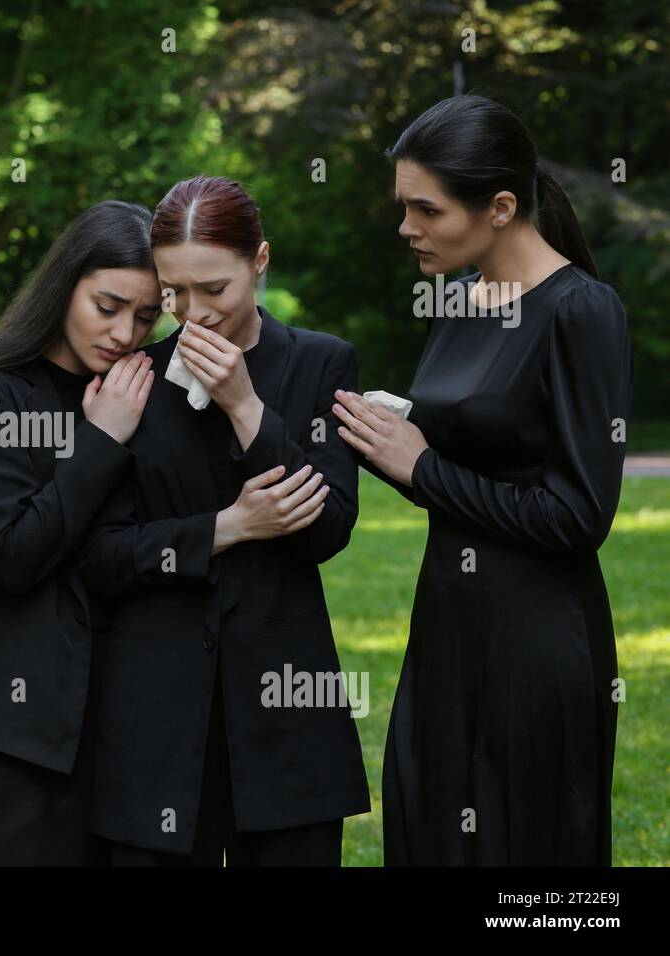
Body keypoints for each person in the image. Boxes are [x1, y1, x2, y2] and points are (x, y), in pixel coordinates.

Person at [334, 94, 630, 865]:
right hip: (445, 630)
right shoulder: (456, 299)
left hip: (536, 646)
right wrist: (389, 447)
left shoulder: (582, 311)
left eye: (425, 209)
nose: (406, 228)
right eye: (404, 207)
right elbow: (457, 471)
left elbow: (578, 517)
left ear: (500, 207)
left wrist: (423, 466)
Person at [80, 177, 370, 866]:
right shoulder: (133, 378)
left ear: (260, 261)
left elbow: (327, 530)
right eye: (175, 292)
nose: (194, 313)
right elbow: (101, 557)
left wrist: (246, 407)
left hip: (287, 707)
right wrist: (226, 528)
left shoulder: (321, 362)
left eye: (215, 288)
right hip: (156, 709)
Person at [0, 200, 161, 865]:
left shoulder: (141, 390)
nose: (123, 332)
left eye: (145, 315)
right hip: (9, 716)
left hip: (114, 707)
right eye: (106, 306)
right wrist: (102, 439)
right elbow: (14, 554)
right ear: (65, 284)